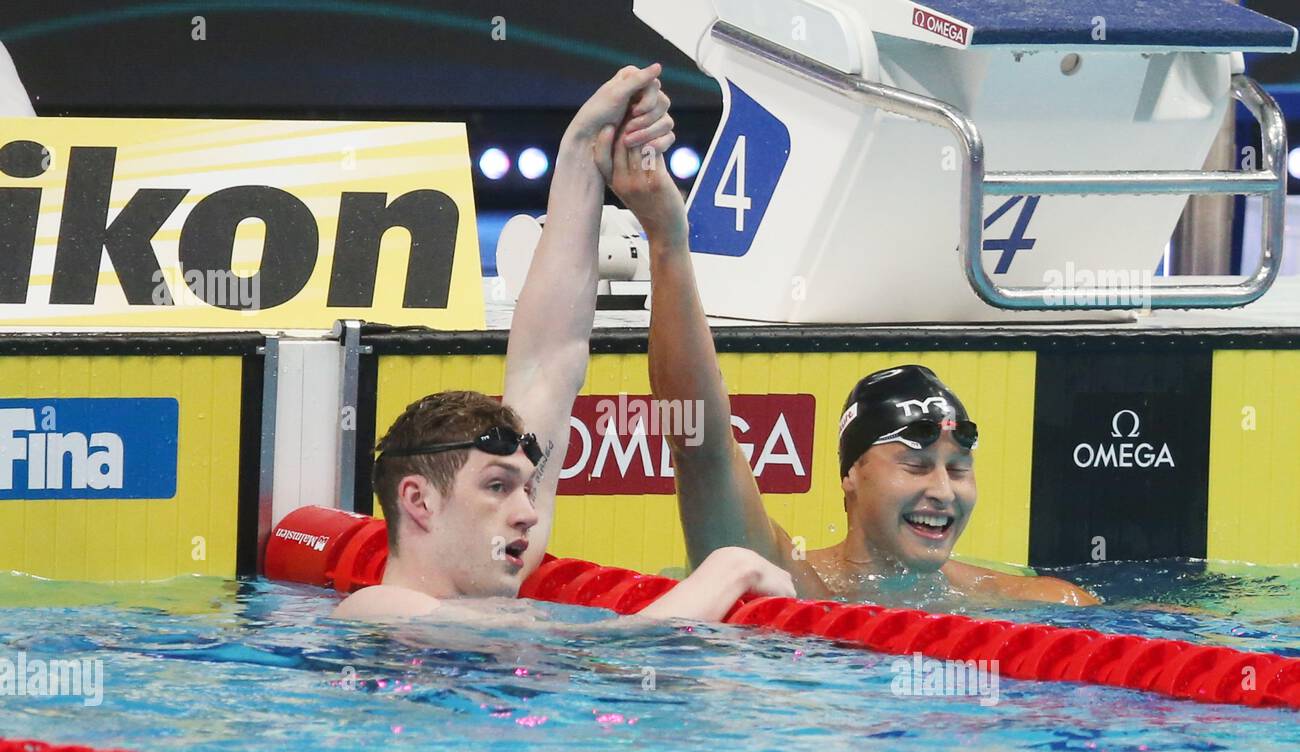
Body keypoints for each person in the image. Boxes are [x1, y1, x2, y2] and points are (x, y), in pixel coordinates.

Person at [335, 65, 795, 623]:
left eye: (528, 489)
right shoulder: (379, 611)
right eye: (499, 487)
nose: (528, 513)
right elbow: (594, 653)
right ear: (418, 501)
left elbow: (548, 363)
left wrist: (585, 152)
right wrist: (732, 569)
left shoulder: (486, 594)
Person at [606, 128, 1098, 607]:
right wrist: (667, 239)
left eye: (959, 470)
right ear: (851, 475)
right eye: (916, 466)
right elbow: (701, 444)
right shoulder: (790, 581)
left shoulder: (1034, 601)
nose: (943, 492)